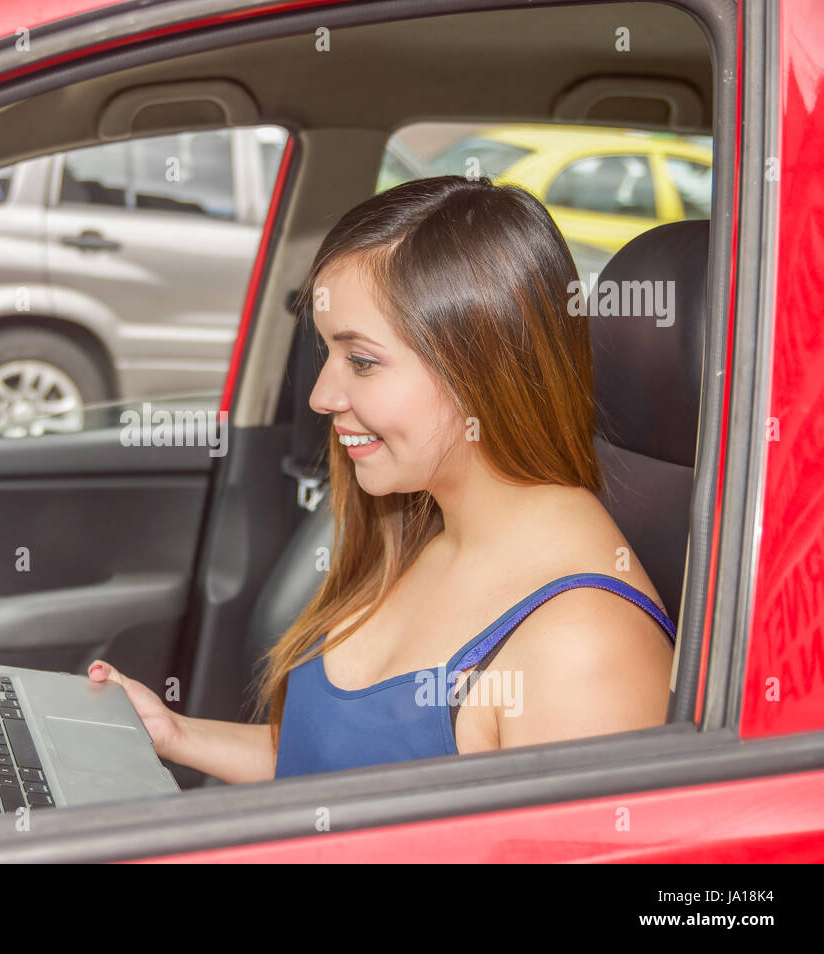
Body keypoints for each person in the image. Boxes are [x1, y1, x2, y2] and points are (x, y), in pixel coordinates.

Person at [88, 175, 677, 784]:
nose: (320, 396)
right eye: (328, 355)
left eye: (362, 361)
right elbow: (337, 767)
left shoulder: (583, 652)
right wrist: (177, 734)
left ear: (481, 364)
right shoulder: (416, 520)